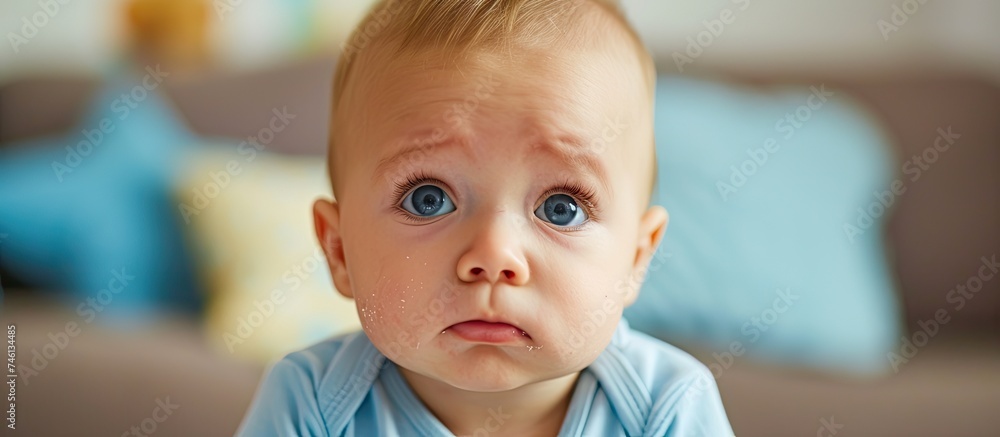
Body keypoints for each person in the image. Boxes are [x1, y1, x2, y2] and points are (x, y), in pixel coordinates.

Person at [238, 0, 734, 435]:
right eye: (427, 199)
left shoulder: (667, 407)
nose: (494, 255)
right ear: (339, 249)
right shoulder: (313, 404)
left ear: (635, 260)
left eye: (561, 209)